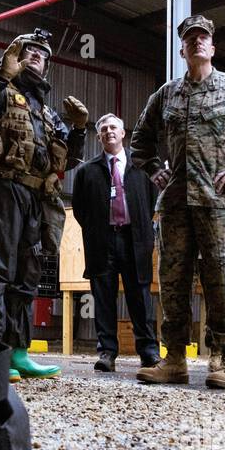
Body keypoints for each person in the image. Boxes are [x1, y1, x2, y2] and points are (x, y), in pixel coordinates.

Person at [130, 14, 225, 390]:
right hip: (177, 203)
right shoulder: (166, 95)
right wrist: (153, 169)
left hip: (221, 203)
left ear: (212, 47)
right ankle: (175, 358)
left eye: (204, 38)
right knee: (173, 281)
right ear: (182, 48)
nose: (197, 42)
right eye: (190, 38)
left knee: (222, 279)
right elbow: (140, 140)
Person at [0, 29, 89, 380]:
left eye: (41, 54)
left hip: (35, 198)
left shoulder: (46, 113)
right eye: (28, 51)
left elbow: (68, 161)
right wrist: (1, 76)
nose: (34, 56)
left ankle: (18, 352)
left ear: (47, 67)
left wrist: (78, 130)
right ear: (15, 55)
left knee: (26, 277)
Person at [71, 113, 159, 373]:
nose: (109, 132)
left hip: (135, 240)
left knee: (140, 297)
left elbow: (153, 200)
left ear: (123, 134)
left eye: (114, 128)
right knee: (103, 298)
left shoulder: (141, 168)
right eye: (104, 129)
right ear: (99, 137)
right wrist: (97, 228)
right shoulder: (87, 171)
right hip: (102, 241)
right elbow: (79, 209)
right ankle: (107, 352)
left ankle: (149, 352)